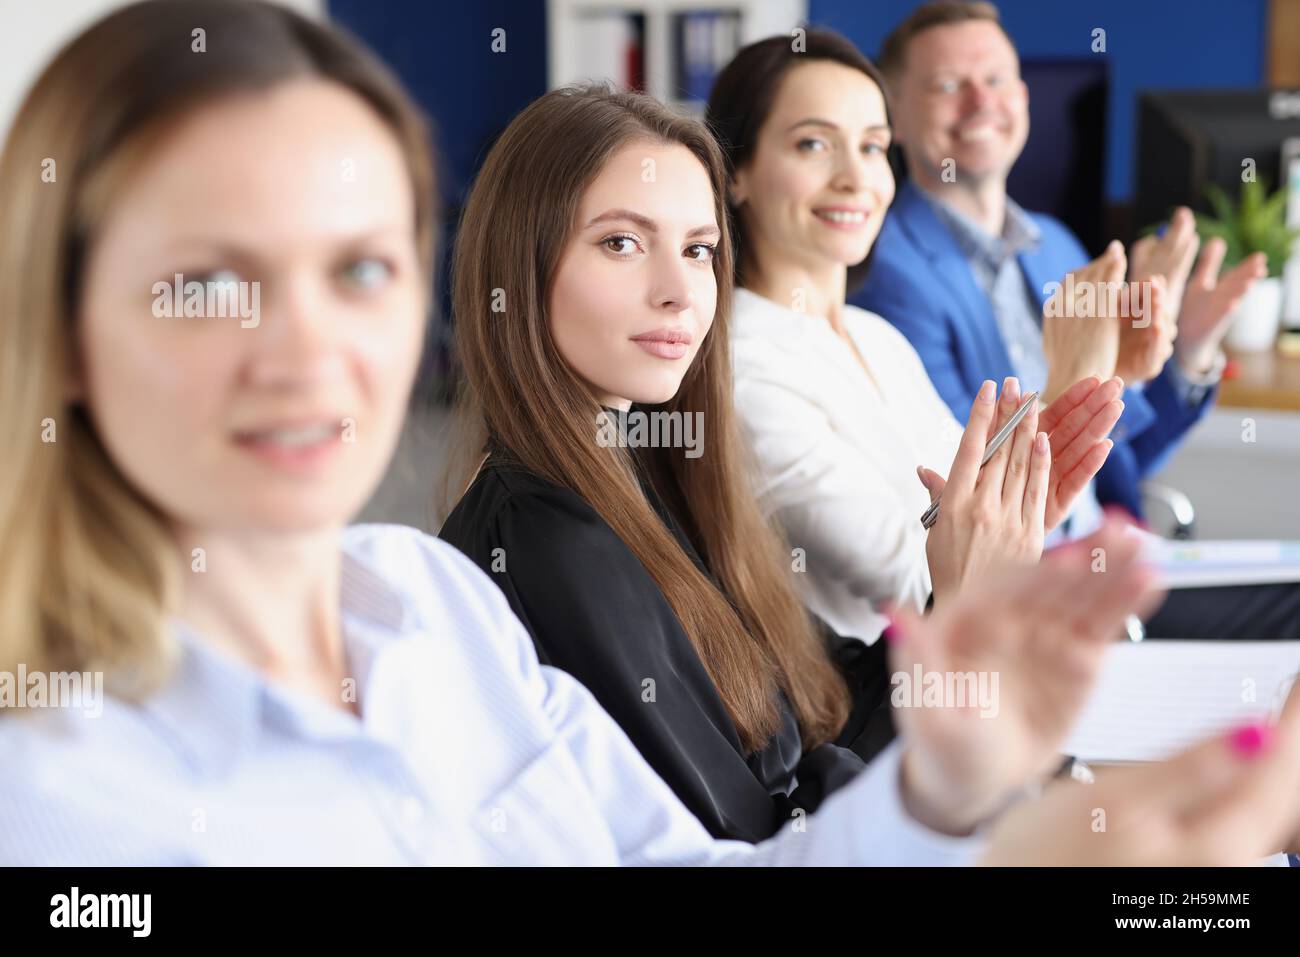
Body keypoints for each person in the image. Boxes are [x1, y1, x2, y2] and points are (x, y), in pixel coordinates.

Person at [2, 0, 1296, 869]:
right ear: (57, 328)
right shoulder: (59, 799)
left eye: (357, 270)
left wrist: (951, 804)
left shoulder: (437, 602)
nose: (306, 350)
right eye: (211, 280)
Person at [709, 29, 1123, 641]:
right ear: (735, 172)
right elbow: (923, 583)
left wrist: (1023, 512)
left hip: (983, 654)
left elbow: (975, 531)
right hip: (875, 712)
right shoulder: (740, 363)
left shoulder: (875, 336)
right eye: (814, 143)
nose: (856, 177)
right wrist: (997, 539)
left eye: (873, 147)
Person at [856, 1, 1265, 523]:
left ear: (1024, 98)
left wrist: (1186, 351)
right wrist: (1085, 374)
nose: (981, 102)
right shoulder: (885, 272)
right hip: (1021, 583)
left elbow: (1122, 464)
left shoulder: (1057, 245)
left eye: (997, 79)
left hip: (1104, 555)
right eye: (947, 85)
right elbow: (960, 504)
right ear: (894, 117)